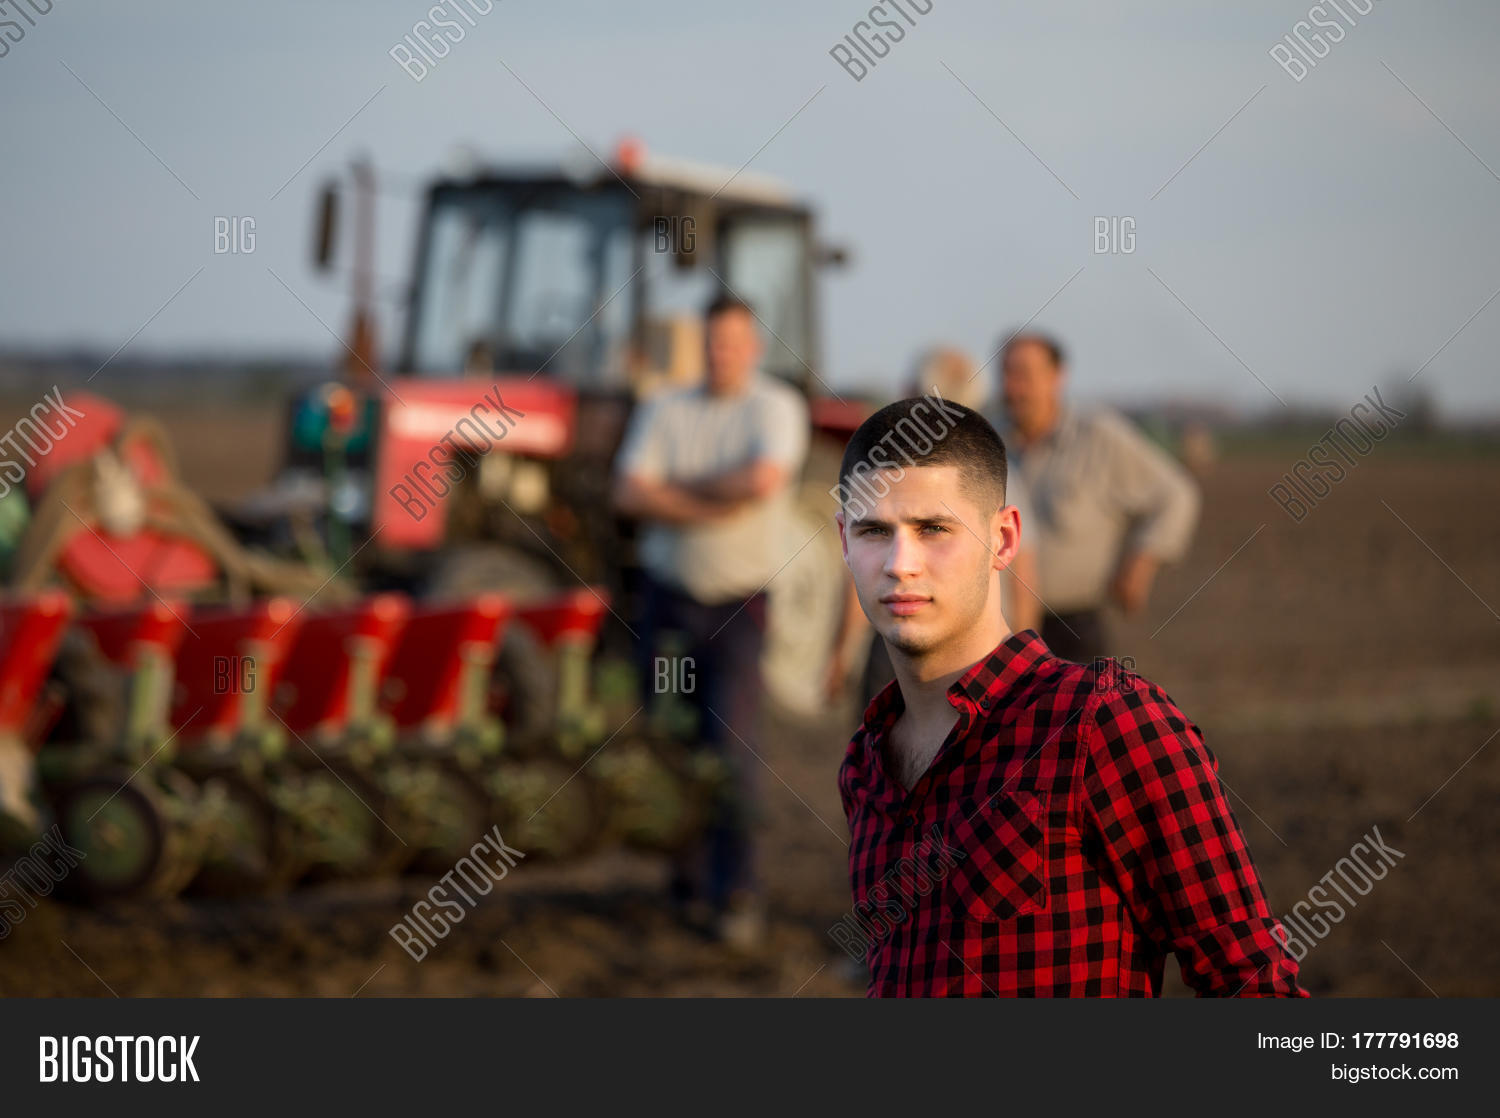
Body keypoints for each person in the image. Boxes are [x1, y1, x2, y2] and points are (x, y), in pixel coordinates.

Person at [832, 397, 1305, 996]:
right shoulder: (865, 767)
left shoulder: (1106, 723)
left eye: (934, 529)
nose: (901, 564)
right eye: (876, 531)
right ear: (843, 542)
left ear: (1003, 540)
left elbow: (1253, 985)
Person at [612, 293, 809, 947]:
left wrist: (669, 493)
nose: (723, 353)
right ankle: (686, 877)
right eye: (713, 342)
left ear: (754, 347)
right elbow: (625, 491)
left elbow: (760, 481)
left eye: (734, 342)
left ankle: (740, 892)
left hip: (737, 608)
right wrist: (705, 503)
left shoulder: (776, 407)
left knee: (732, 747)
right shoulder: (666, 407)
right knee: (668, 738)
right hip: (668, 604)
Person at [991, 331, 1199, 663]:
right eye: (1005, 374)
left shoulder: (1099, 437)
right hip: (1003, 626)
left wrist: (1141, 561)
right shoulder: (989, 442)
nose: (1012, 387)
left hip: (1074, 626)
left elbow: (1176, 495)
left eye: (1024, 375)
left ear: (1057, 377)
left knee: (1078, 714)